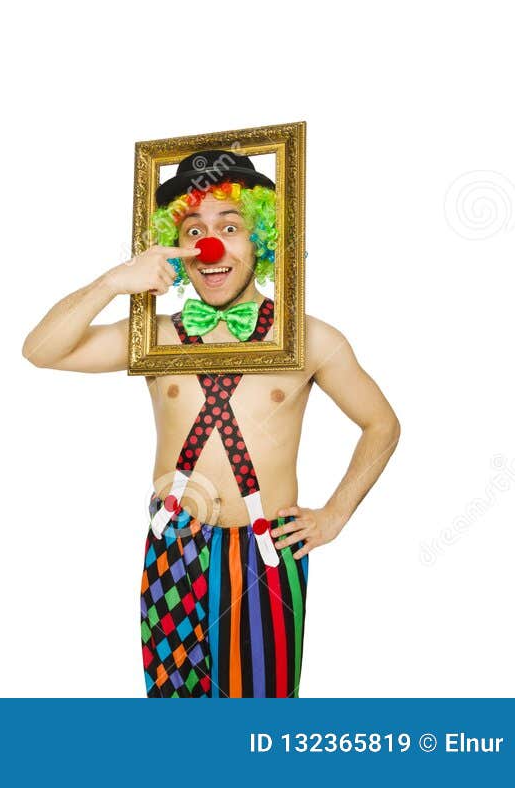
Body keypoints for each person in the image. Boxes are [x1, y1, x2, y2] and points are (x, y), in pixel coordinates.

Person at [22, 151, 399, 697]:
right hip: (173, 542)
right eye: (193, 230)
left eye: (229, 227)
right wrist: (112, 282)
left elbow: (381, 425)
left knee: (259, 723)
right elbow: (40, 350)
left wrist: (335, 515)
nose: (210, 245)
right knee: (173, 713)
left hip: (266, 552)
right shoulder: (155, 336)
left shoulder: (308, 338)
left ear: (261, 240)